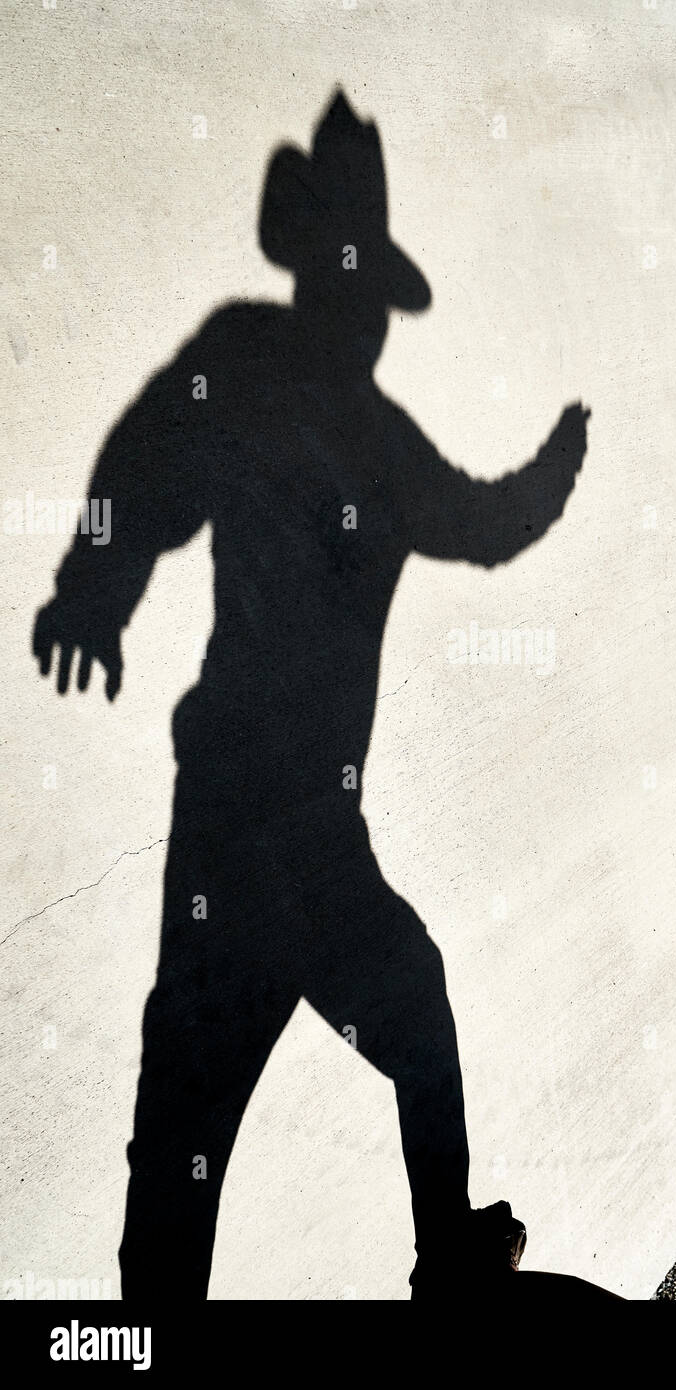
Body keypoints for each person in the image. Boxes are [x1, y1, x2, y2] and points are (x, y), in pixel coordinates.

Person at [33, 89, 589, 1300]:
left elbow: (483, 520)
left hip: (288, 830)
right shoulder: (258, 374)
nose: (366, 320)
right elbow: (149, 463)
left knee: (319, 1052)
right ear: (324, 280)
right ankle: (422, 1256)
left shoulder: (328, 411)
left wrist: (550, 472)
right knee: (197, 1115)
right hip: (250, 827)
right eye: (355, 285)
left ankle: (441, 1252)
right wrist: (92, 589)